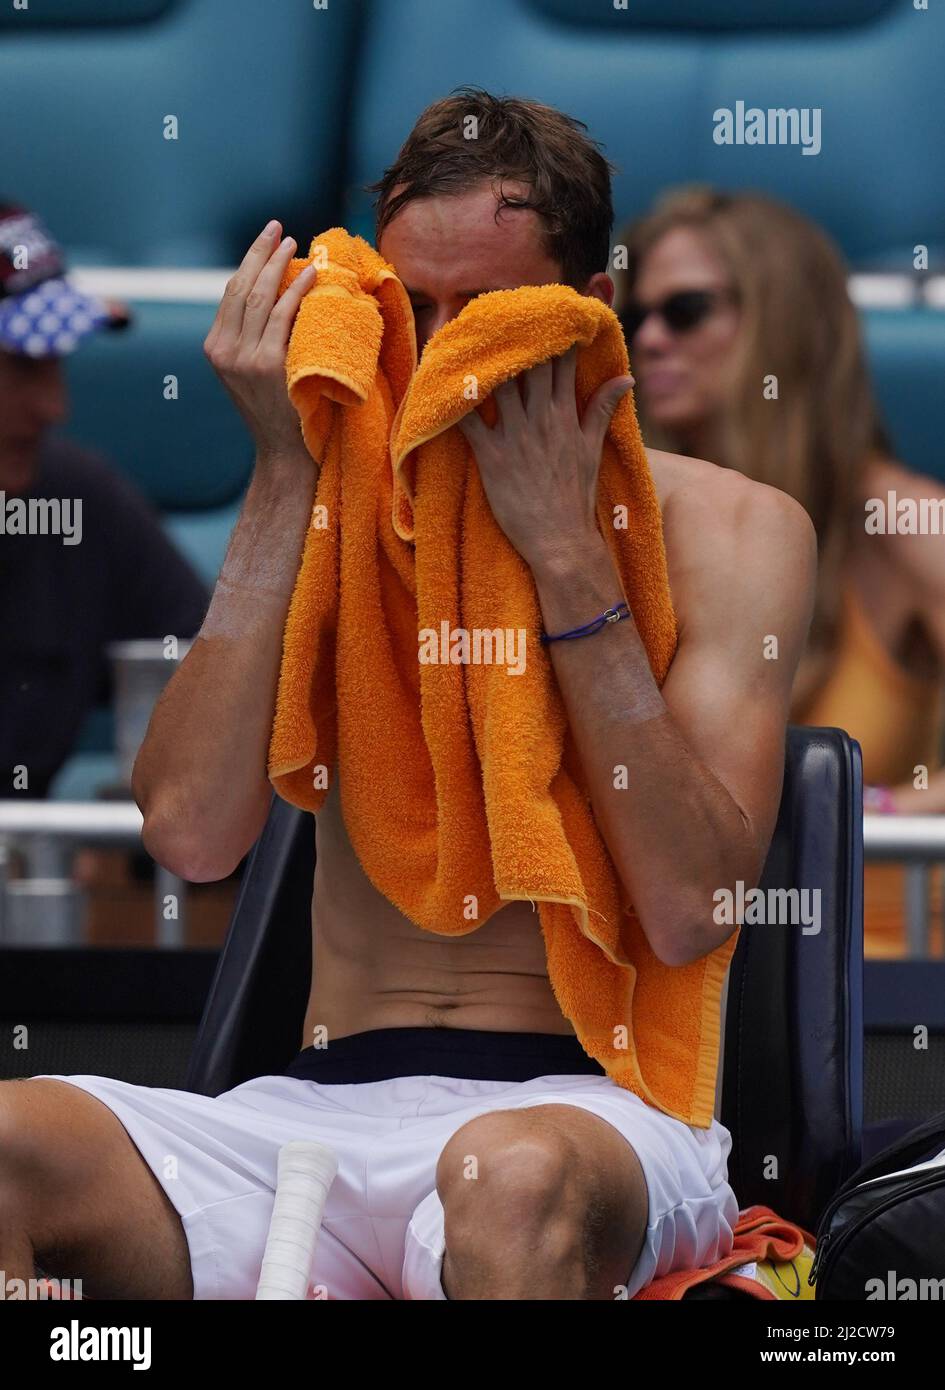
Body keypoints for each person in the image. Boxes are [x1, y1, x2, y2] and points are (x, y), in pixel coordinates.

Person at [1, 91, 815, 1300]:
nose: (436, 359)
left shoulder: (737, 530)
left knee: (506, 1174)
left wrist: (569, 561)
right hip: (311, 1108)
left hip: (586, 1112)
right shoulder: (331, 517)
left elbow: (695, 906)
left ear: (585, 314)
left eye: (479, 315)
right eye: (408, 310)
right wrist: (284, 475)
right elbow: (189, 831)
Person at [615, 186, 945, 956]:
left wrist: (877, 812)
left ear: (786, 322)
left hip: (875, 985)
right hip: (662, 972)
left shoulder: (901, 523)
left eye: (686, 309)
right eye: (634, 319)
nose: (650, 339)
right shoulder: (617, 518)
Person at [0, 201, 209, 799]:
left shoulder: (74, 501)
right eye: (24, 366)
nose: (54, 408)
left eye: (55, 365)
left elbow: (222, 693)